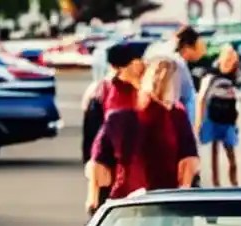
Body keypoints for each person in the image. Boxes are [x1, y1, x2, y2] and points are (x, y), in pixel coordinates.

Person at [87, 58, 200, 214]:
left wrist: (93, 198)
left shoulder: (118, 118)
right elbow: (189, 162)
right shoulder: (177, 117)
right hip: (165, 202)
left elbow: (99, 162)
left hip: (125, 202)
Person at [82, 42, 145, 166]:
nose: (142, 65)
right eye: (137, 62)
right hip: (116, 156)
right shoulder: (108, 91)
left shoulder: (102, 88)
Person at [196, 45, 241, 186]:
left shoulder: (233, 76)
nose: (230, 64)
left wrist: (236, 120)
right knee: (213, 153)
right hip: (213, 118)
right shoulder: (211, 75)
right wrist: (199, 122)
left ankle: (235, 184)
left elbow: (234, 99)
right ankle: (216, 184)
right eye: (227, 60)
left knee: (231, 156)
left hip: (228, 119)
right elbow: (201, 98)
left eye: (232, 61)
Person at [169, 26, 205, 127]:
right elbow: (188, 97)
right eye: (197, 47)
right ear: (187, 47)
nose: (201, 53)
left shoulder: (176, 61)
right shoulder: (178, 64)